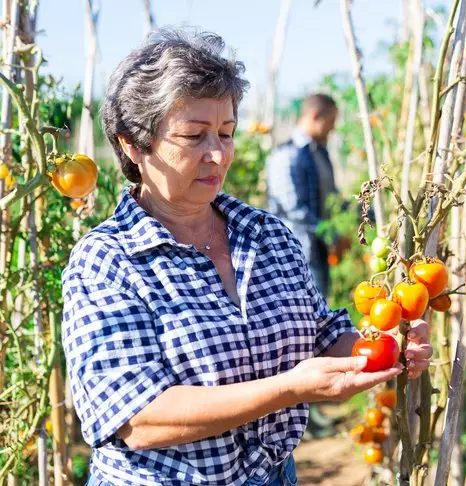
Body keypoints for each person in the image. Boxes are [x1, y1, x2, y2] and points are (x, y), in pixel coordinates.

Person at [61, 28, 432, 486]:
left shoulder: (267, 236)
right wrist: (289, 389)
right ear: (133, 145)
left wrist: (379, 348)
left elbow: (318, 332)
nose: (217, 154)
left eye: (226, 132)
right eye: (194, 136)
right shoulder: (108, 261)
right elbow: (137, 418)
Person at [265, 93, 343, 298]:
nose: (333, 128)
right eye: (331, 120)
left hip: (318, 250)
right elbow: (291, 209)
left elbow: (332, 197)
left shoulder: (320, 153)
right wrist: (330, 234)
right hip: (295, 254)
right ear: (316, 115)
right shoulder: (286, 155)